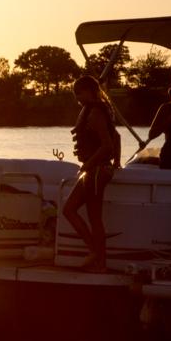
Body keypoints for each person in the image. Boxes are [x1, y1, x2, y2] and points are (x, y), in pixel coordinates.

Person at [62, 75, 121, 272]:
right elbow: (117, 137)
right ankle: (94, 251)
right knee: (68, 209)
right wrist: (118, 163)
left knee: (94, 218)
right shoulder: (94, 110)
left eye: (79, 93)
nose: (77, 97)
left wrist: (89, 164)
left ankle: (101, 264)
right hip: (93, 170)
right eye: (74, 94)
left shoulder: (96, 112)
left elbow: (107, 145)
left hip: (96, 170)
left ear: (89, 91)